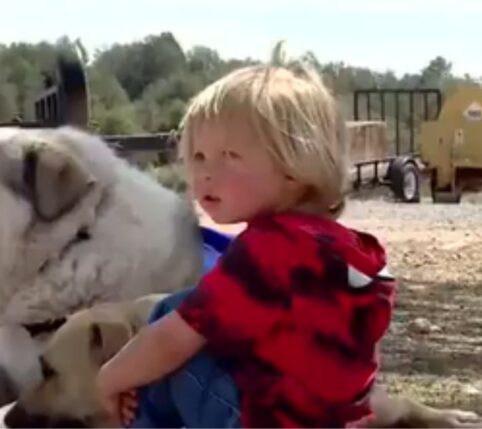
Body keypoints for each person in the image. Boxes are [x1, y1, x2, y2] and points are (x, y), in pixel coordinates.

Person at [96, 43, 397, 428]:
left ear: (293, 167)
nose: (204, 173)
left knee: (168, 324)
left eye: (229, 156)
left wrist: (108, 380)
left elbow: (170, 341)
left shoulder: (268, 249)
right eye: (199, 157)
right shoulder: (356, 251)